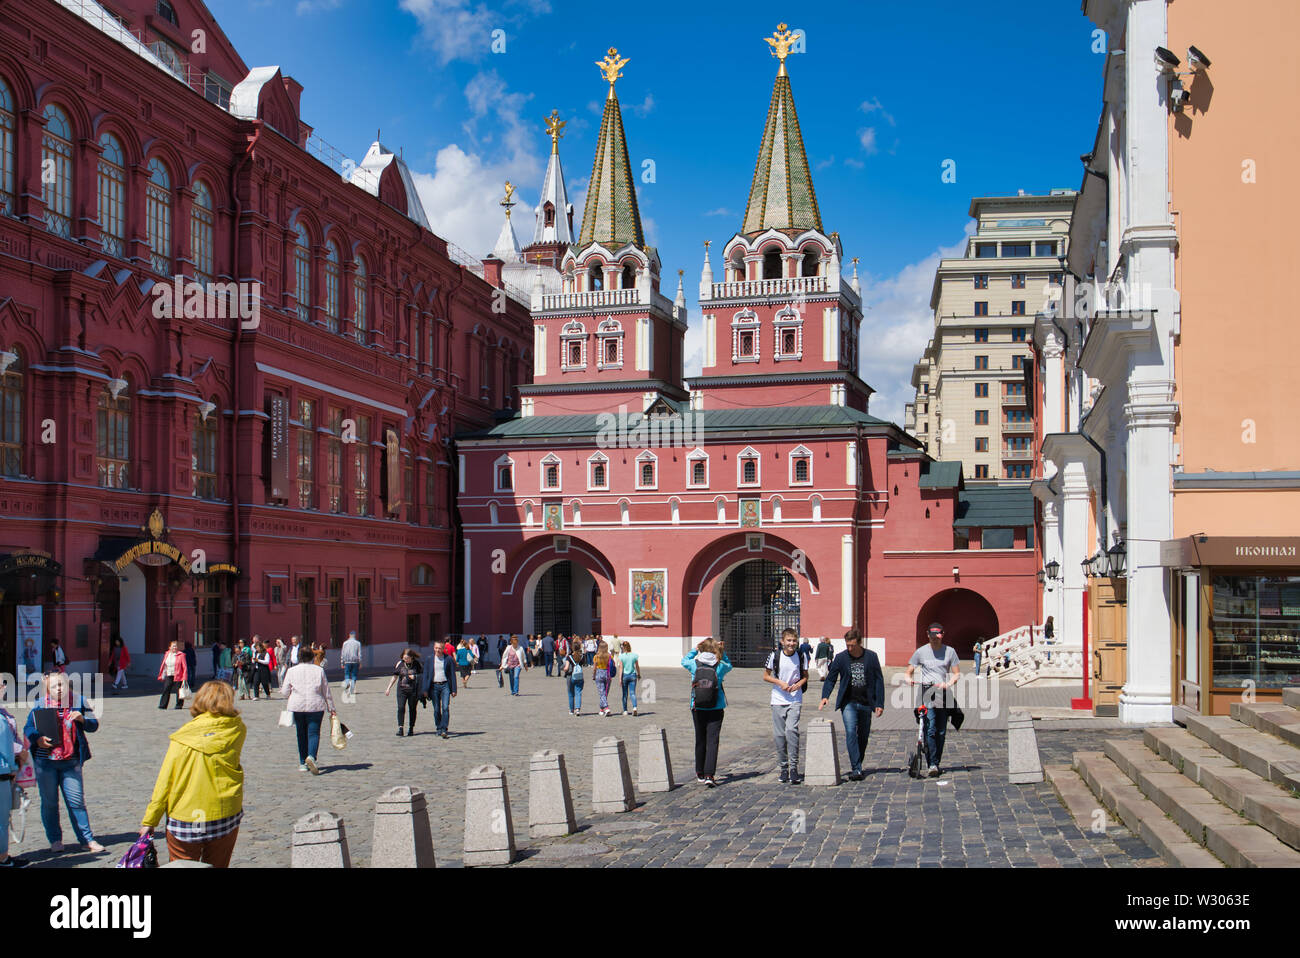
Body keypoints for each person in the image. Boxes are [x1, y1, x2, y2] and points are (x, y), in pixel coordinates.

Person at [138, 680, 245, 868]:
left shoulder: (183, 737)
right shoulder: (237, 729)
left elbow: (165, 781)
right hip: (225, 812)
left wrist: (150, 820)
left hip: (187, 816)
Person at [24, 672, 105, 854]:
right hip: (46, 762)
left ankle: (87, 840)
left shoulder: (79, 701)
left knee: (76, 802)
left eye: (61, 685)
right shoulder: (40, 704)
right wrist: (37, 738)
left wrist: (82, 719)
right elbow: (28, 727)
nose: (59, 689)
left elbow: (93, 725)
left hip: (71, 761)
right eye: (54, 686)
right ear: (47, 689)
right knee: (50, 803)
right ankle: (55, 840)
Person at [818, 629, 884, 781]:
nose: (849, 648)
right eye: (847, 645)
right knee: (850, 732)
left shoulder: (871, 657)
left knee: (864, 735)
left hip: (867, 702)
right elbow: (831, 678)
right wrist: (825, 696)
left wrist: (879, 703)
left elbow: (879, 680)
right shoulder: (841, 658)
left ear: (859, 643)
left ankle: (858, 763)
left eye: (852, 645)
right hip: (848, 702)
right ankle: (856, 768)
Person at [905, 622, 961, 777]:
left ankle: (936, 760)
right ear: (927, 635)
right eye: (932, 636)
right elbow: (908, 671)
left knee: (941, 731)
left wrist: (948, 683)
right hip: (926, 692)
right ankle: (932, 765)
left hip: (943, 692)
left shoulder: (950, 652)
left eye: (937, 636)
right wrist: (908, 679)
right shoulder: (921, 652)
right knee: (930, 727)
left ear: (942, 635)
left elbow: (956, 673)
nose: (934, 639)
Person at [681, 639, 732, 787]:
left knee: (700, 739)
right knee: (713, 740)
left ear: (701, 649)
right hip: (716, 707)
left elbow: (684, 661)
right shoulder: (720, 666)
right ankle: (710, 774)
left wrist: (694, 650)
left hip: (697, 707)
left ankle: (700, 772)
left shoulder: (694, 664)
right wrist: (723, 651)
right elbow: (729, 665)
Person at [281, 645, 336, 774]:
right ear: (312, 657)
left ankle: (302, 763)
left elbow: (284, 692)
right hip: (316, 705)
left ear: (299, 657)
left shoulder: (291, 671)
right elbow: (326, 690)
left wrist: (291, 694)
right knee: (314, 733)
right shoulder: (319, 670)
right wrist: (331, 708)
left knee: (301, 734)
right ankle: (311, 756)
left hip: (297, 706)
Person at [764, 628, 809, 785]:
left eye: (794, 641)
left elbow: (805, 676)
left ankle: (794, 768)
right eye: (789, 640)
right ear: (782, 641)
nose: (791, 643)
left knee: (791, 730)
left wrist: (798, 685)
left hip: (795, 699)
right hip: (777, 699)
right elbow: (766, 676)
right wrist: (780, 682)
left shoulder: (801, 656)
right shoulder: (774, 656)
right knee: (779, 735)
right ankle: (784, 767)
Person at [0, 675, 32, 867]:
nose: (3, 686)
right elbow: (5, 748)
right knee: (2, 819)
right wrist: (14, 767)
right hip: (2, 773)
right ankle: (3, 858)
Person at [385, 649, 423, 737]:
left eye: (407, 658)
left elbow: (423, 675)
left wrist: (415, 676)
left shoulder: (417, 664)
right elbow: (395, 676)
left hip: (413, 691)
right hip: (401, 691)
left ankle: (411, 728)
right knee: (401, 708)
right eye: (404, 658)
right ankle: (400, 728)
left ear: (412, 657)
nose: (405, 659)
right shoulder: (400, 664)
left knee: (412, 709)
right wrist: (388, 688)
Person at [426, 641, 458, 738]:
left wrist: (454, 690)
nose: (438, 650)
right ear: (434, 648)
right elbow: (426, 675)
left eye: (440, 648)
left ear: (443, 649)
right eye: (436, 648)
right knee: (436, 709)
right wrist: (424, 689)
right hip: (434, 686)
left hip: (445, 685)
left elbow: (452, 674)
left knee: (445, 707)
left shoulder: (448, 659)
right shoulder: (430, 659)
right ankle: (438, 727)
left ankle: (444, 728)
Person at [157, 639, 189, 710]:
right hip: (169, 674)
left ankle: (179, 705)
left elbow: (184, 667)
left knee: (178, 690)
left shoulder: (181, 655)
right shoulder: (167, 654)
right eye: (173, 646)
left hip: (178, 675)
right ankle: (163, 705)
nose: (175, 648)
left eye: (176, 646)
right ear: (170, 647)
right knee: (166, 689)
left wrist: (184, 677)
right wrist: (162, 673)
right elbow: (164, 664)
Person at [618, 641, 640, 716]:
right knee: (632, 693)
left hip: (625, 676)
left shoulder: (621, 656)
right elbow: (637, 666)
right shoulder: (634, 655)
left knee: (624, 694)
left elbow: (621, 668)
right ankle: (634, 708)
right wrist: (639, 674)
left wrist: (620, 678)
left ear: (623, 647)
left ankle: (625, 710)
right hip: (633, 675)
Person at [562, 643, 584, 715]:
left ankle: (571, 710)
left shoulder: (569, 657)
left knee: (571, 693)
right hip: (579, 676)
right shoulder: (581, 657)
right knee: (578, 693)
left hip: (570, 676)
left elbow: (566, 668)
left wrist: (563, 668)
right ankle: (577, 709)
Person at [593, 646, 613, 716]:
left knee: (602, 693)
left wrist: (594, 675)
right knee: (605, 693)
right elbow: (612, 665)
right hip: (607, 674)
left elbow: (595, 667)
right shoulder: (610, 656)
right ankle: (602, 709)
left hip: (599, 674)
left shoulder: (596, 657)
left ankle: (606, 708)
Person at [340, 631, 362, 697]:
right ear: (355, 635)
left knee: (347, 674)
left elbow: (343, 653)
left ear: (349, 635)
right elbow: (359, 654)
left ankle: (347, 683)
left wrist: (342, 662)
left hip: (347, 661)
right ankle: (351, 689)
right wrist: (360, 662)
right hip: (355, 661)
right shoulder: (358, 643)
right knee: (354, 675)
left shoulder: (345, 643)